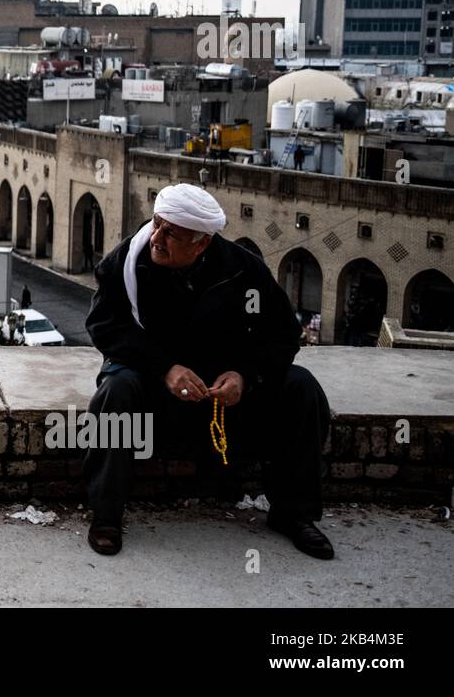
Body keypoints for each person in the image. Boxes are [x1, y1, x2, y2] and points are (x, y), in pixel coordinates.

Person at [82, 183, 332, 560]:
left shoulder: (243, 272)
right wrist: (164, 369)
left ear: (200, 244)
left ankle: (295, 514)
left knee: (302, 388)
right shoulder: (127, 264)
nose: (157, 238)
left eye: (171, 233)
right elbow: (104, 325)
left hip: (222, 399)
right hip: (153, 390)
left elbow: (283, 335)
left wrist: (245, 377)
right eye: (157, 224)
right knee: (116, 390)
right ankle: (105, 516)